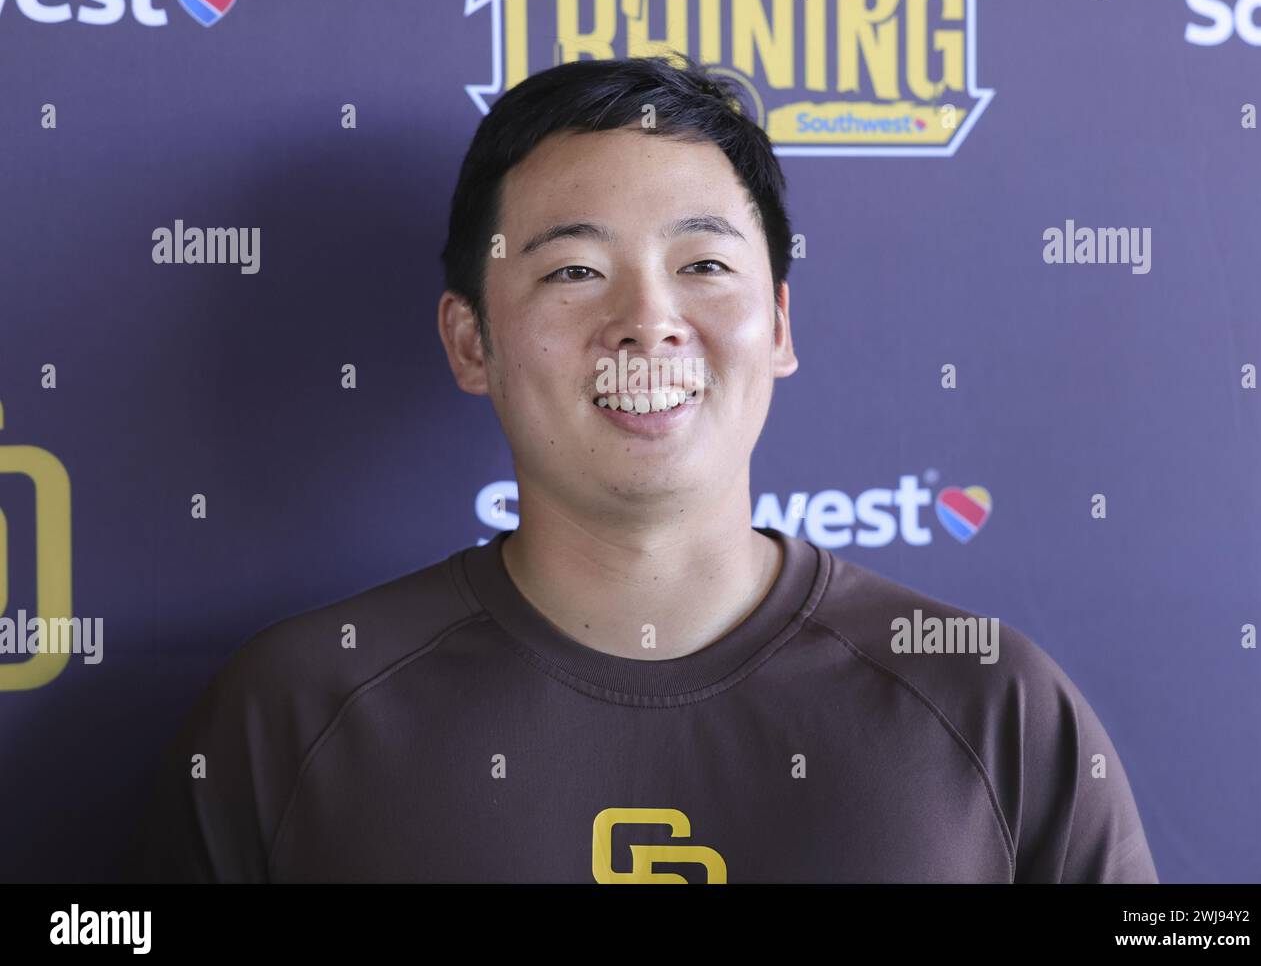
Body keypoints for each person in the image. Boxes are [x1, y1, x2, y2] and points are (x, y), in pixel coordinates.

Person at [130, 54, 1158, 883]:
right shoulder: (295, 710)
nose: (648, 321)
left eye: (703, 264)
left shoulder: (989, 702)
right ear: (470, 340)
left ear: (781, 324)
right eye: (573, 270)